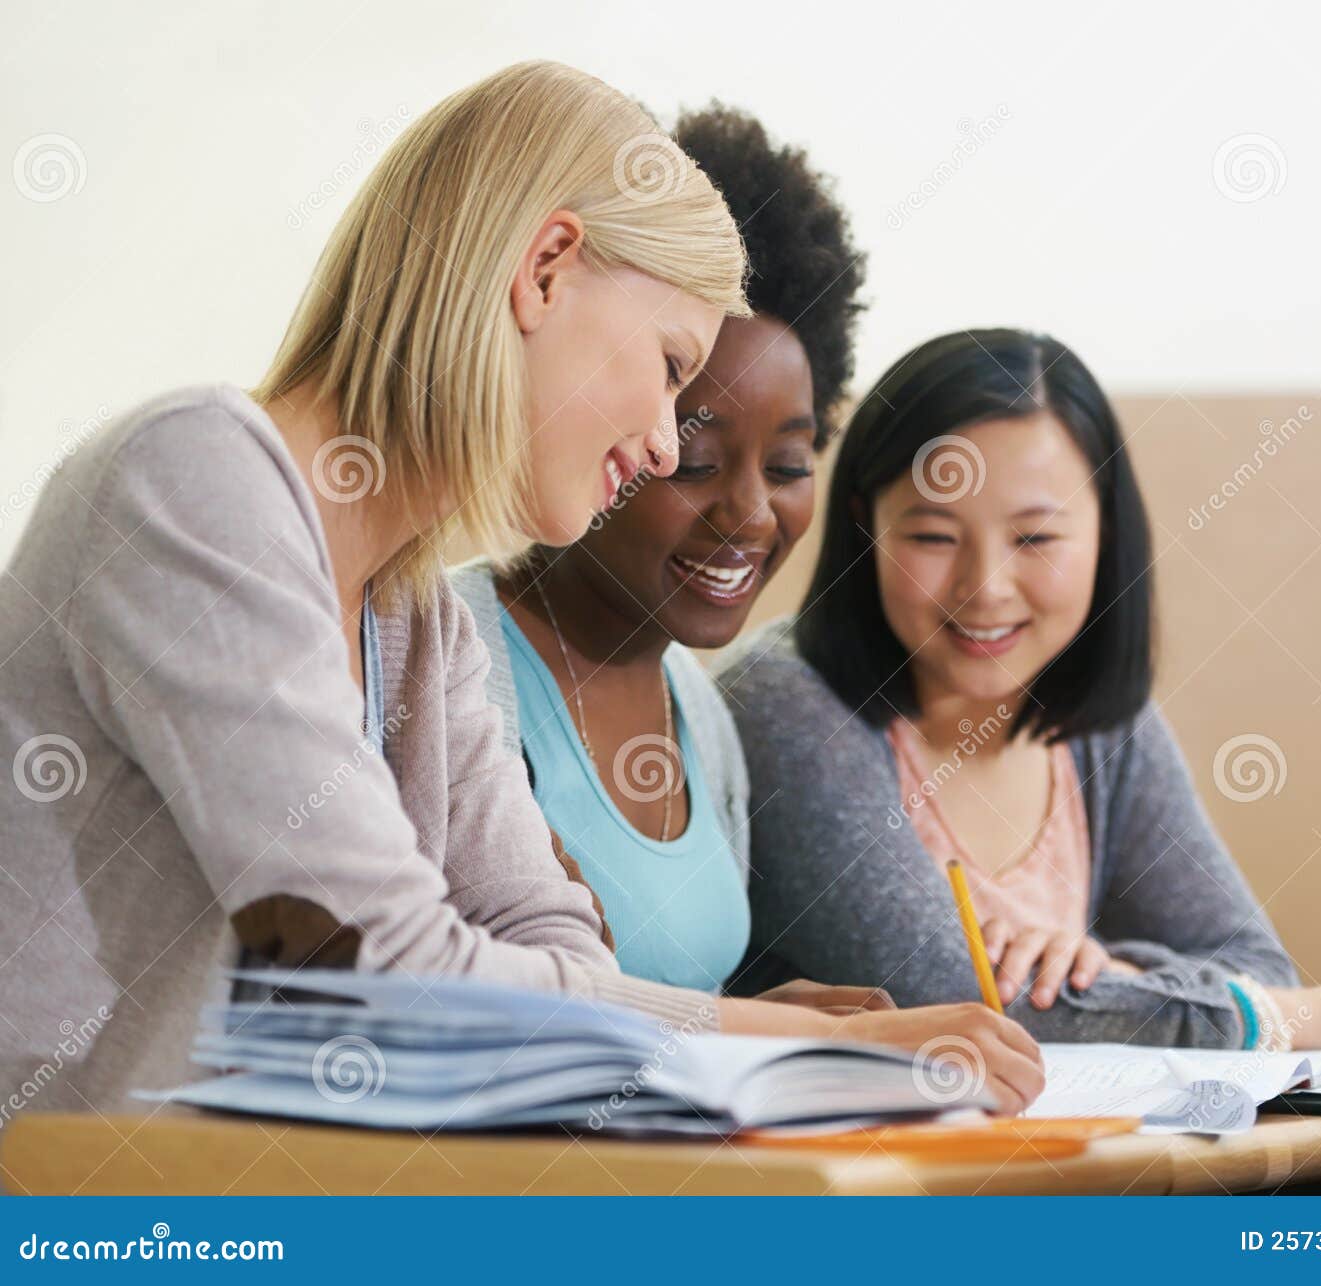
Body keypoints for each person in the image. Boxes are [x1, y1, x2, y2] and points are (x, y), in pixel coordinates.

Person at [0, 69, 1042, 1119]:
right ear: (545, 269)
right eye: (669, 366)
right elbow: (385, 971)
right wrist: (814, 1039)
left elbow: (553, 950)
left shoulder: (418, 620)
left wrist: (773, 1036)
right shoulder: (191, 478)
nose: (659, 442)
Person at [717, 328, 1321, 1053]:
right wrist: (1272, 1019)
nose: (985, 588)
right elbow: (966, 1006)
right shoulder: (784, 708)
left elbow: (1255, 966)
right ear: (863, 528)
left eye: (1035, 539)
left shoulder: (1100, 724)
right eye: (934, 537)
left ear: (1106, 531)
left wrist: (1108, 970)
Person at [452, 102, 863, 995]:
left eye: (790, 466)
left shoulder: (702, 717)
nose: (750, 514)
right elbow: (471, 1006)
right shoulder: (450, 660)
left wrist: (770, 1018)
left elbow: (678, 1002)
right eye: (698, 460)